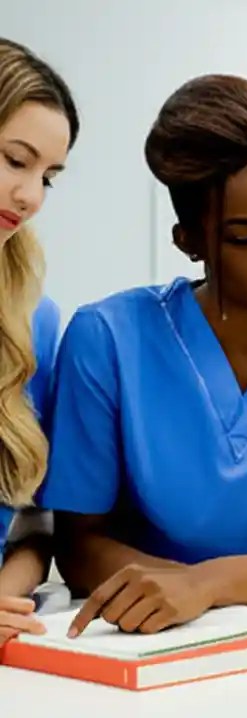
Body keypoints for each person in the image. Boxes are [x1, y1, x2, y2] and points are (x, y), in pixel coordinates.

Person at [40, 74, 247, 637]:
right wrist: (192, 593)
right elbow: (77, 544)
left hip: (239, 624)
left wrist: (203, 590)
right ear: (190, 242)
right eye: (244, 238)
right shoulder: (107, 338)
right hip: (120, 627)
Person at [0, 38, 77, 643]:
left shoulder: (34, 324)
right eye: (14, 160)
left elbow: (36, 521)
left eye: (48, 177)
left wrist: (4, 595)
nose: (30, 197)